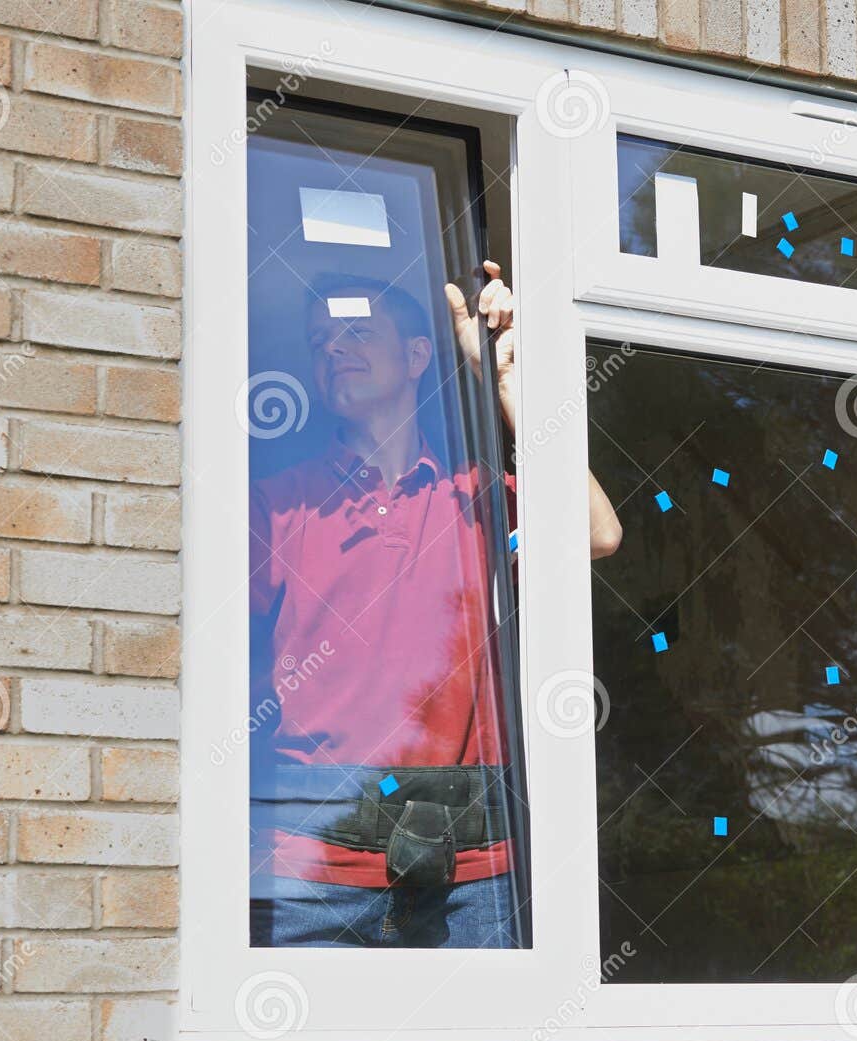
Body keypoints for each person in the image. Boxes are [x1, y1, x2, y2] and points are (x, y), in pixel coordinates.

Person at [248, 262, 621, 948]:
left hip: (471, 870)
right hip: (309, 870)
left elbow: (598, 533)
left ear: (419, 355)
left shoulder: (478, 495)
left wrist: (506, 379)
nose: (332, 347)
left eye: (358, 330)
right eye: (319, 338)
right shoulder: (278, 503)